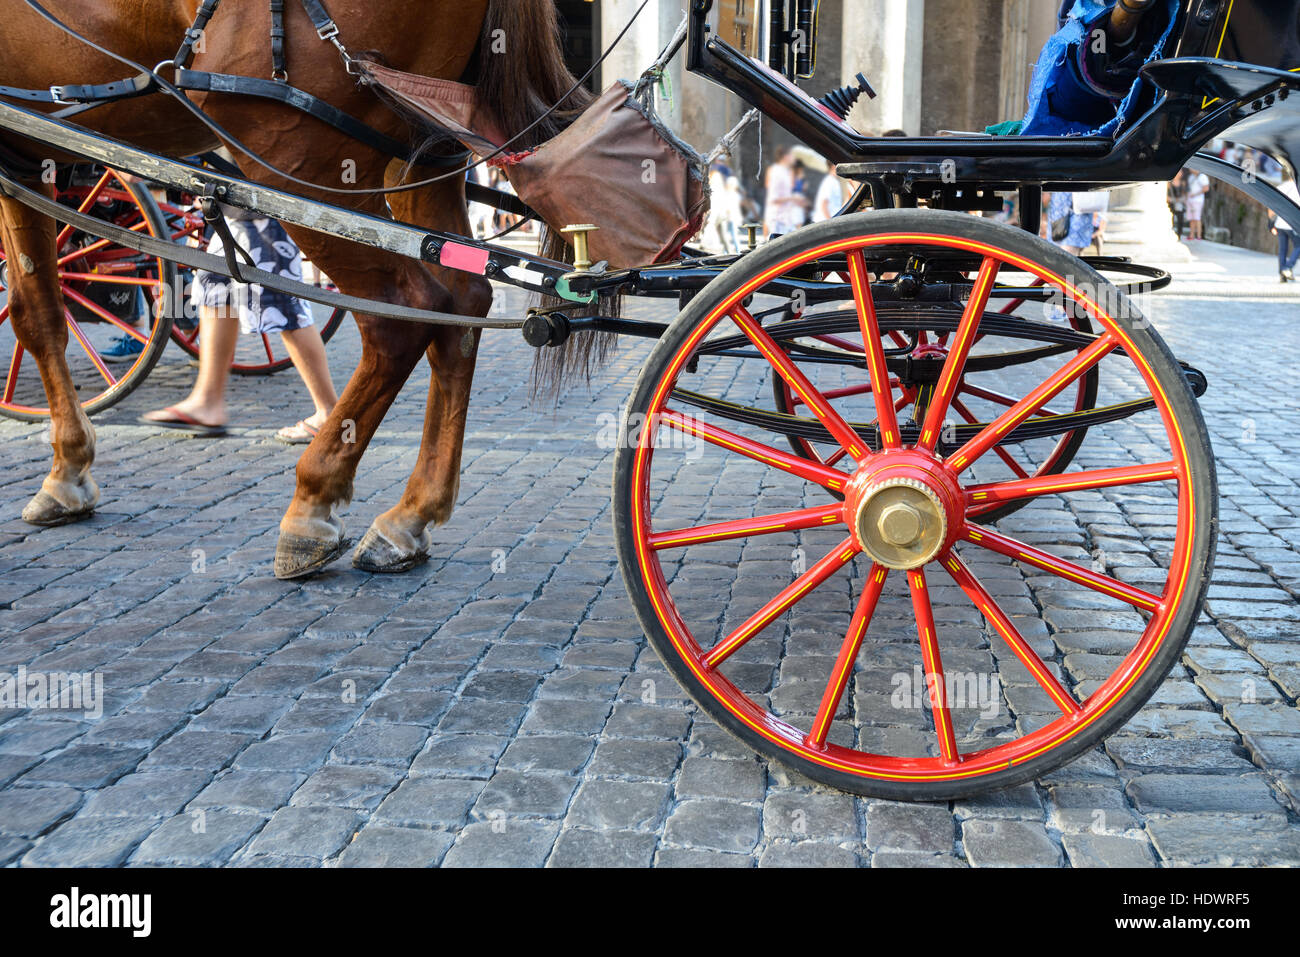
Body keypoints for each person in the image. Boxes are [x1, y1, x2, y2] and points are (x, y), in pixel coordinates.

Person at [141, 209, 338, 442]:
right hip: (233, 207)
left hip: (257, 203)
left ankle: (329, 412)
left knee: (282, 305)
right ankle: (208, 400)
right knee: (214, 288)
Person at [762, 147, 809, 237]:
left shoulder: (786, 172)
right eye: (792, 155)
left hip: (786, 220)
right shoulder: (776, 171)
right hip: (777, 221)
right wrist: (793, 198)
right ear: (785, 157)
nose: (794, 158)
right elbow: (774, 199)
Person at [1271, 175, 1300, 282]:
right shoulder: (1297, 187)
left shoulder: (1282, 186)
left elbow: (1272, 204)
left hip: (1280, 223)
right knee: (1298, 245)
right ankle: (1287, 267)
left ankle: (1282, 275)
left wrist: (1271, 222)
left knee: (1283, 249)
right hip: (1292, 224)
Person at [1185, 168, 1210, 241]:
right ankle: (1191, 235)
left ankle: (1199, 236)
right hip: (1190, 200)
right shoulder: (1191, 177)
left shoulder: (1203, 177)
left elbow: (1206, 188)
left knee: (1197, 218)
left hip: (1198, 200)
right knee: (1191, 218)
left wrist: (1195, 194)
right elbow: (1189, 189)